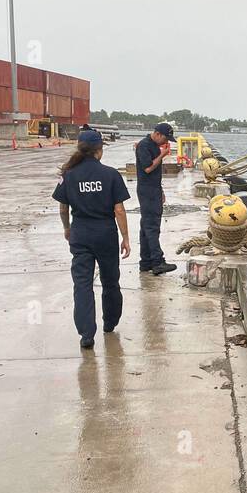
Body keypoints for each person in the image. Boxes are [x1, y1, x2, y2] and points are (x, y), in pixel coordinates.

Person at [53, 128, 132, 348]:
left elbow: (63, 208)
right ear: (99, 150)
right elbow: (119, 210)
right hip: (105, 233)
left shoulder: (68, 175)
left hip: (81, 233)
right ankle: (110, 323)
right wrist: (125, 237)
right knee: (110, 281)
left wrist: (67, 228)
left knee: (82, 284)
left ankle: (86, 334)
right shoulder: (111, 174)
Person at [134, 121, 177, 274]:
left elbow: (154, 173)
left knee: (146, 227)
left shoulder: (152, 145)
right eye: (165, 139)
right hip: (147, 191)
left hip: (153, 189)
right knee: (152, 226)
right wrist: (162, 155)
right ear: (157, 134)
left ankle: (146, 262)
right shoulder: (144, 146)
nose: (166, 142)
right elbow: (148, 168)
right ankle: (157, 262)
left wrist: (161, 191)